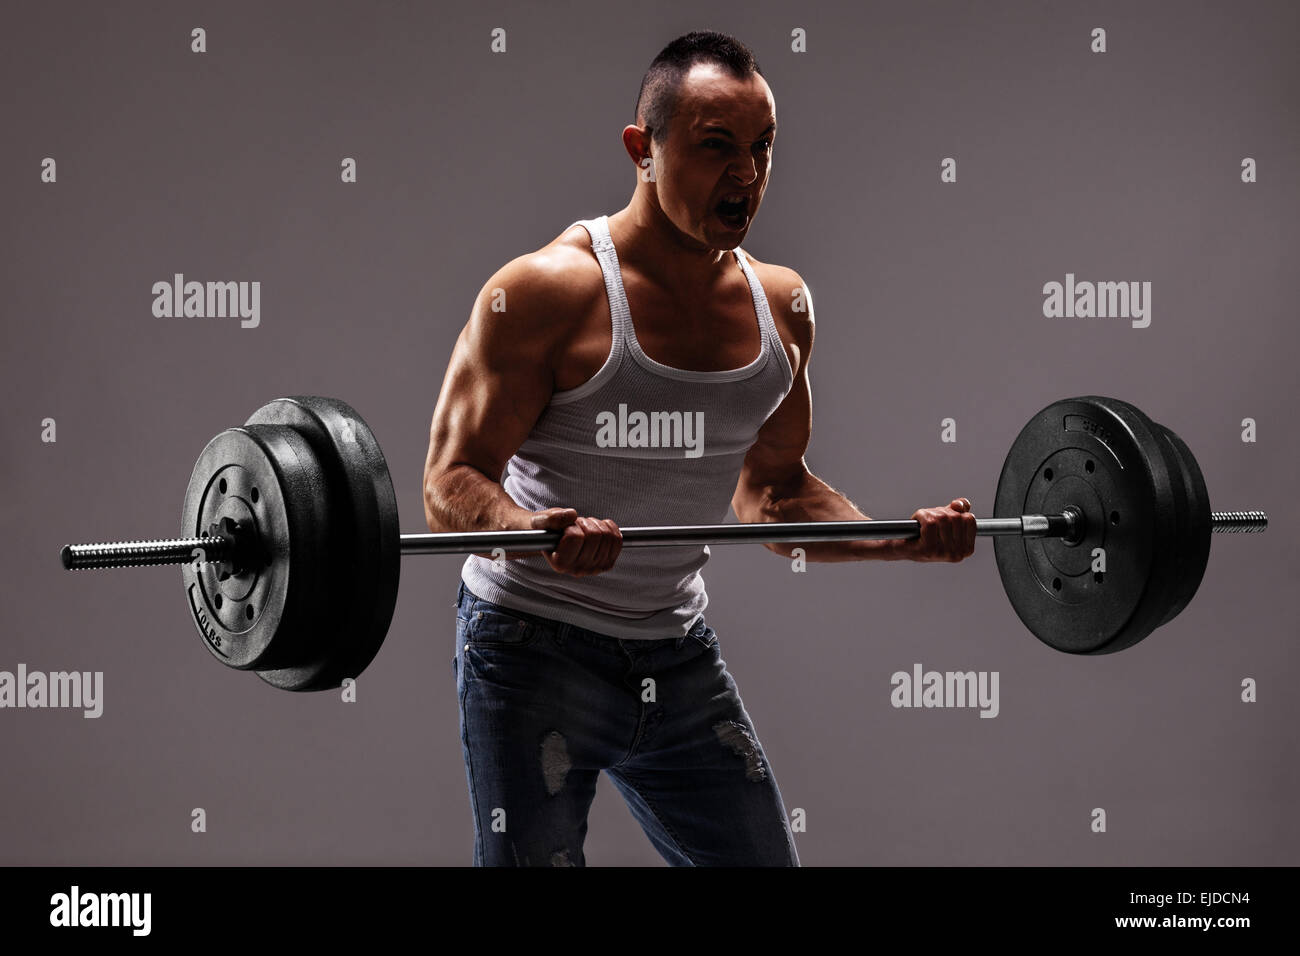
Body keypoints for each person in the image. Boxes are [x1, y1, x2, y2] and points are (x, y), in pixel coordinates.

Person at [423, 30, 976, 867]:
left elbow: (777, 496)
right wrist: (530, 526)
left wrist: (901, 538)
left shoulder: (781, 309)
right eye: (718, 148)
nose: (747, 177)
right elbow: (451, 480)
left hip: (675, 656)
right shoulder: (545, 293)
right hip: (529, 646)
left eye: (762, 148)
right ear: (642, 149)